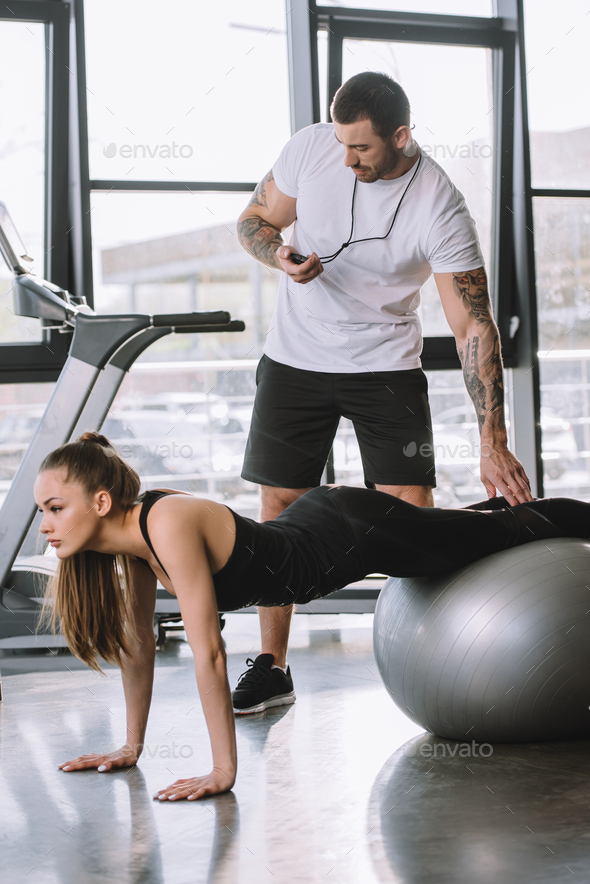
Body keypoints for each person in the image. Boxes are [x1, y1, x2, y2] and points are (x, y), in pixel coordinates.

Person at [38, 433, 588, 801]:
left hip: (351, 532)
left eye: (55, 508)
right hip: (324, 527)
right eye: (44, 512)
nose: (46, 525)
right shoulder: (134, 546)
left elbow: (208, 651)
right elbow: (138, 646)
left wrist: (223, 772)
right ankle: (465, 523)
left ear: (102, 502)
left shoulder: (167, 522)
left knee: (503, 533)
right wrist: (131, 747)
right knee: (462, 534)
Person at [234, 70, 532, 713]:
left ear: (401, 136)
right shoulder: (313, 147)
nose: (347, 158)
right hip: (294, 357)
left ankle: (435, 656)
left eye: (362, 148)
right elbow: (255, 220)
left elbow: (472, 324)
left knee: (409, 509)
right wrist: (278, 255)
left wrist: (493, 440)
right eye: (341, 143)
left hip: (386, 364)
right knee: (281, 507)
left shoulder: (438, 204)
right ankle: (272, 665)